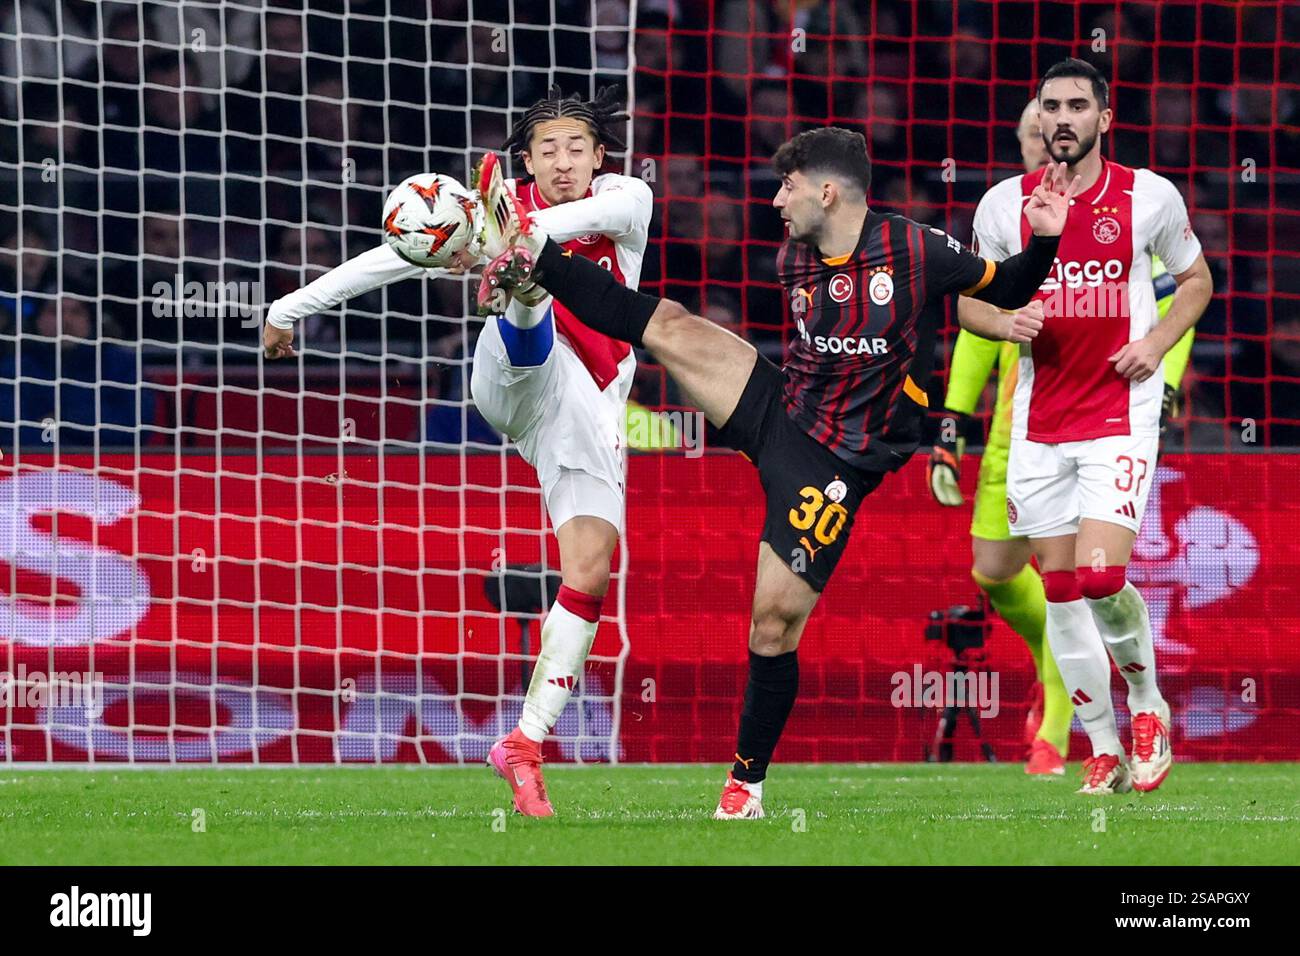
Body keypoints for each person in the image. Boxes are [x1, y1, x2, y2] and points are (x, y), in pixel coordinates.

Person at [476, 125, 1075, 818]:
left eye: (787, 187)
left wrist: (1046, 239)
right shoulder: (796, 253)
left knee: (772, 625)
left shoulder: (915, 248)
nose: (775, 201)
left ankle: (745, 785)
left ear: (827, 190)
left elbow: (1013, 284)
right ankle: (537, 257)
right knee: (666, 324)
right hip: (781, 406)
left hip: (837, 461)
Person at [263, 86, 652, 817]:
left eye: (577, 149)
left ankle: (525, 744)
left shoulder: (626, 198)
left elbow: (577, 219)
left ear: (600, 155)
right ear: (526, 160)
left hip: (587, 412)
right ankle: (519, 292)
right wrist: (288, 310)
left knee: (592, 572)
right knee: (525, 281)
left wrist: (506, 228)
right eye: (548, 151)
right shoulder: (493, 213)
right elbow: (391, 260)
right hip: (513, 373)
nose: (565, 161)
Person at [951, 59, 1212, 794]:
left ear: (1104, 118)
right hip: (1037, 421)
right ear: (1038, 119)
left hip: (1118, 415)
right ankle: (1100, 744)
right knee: (1060, 590)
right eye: (1050, 107)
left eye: (1076, 106)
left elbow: (1196, 282)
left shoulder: (1148, 197)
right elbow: (969, 304)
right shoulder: (1005, 206)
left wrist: (1156, 347)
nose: (1060, 119)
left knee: (1100, 577)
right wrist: (1005, 319)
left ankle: (1148, 705)